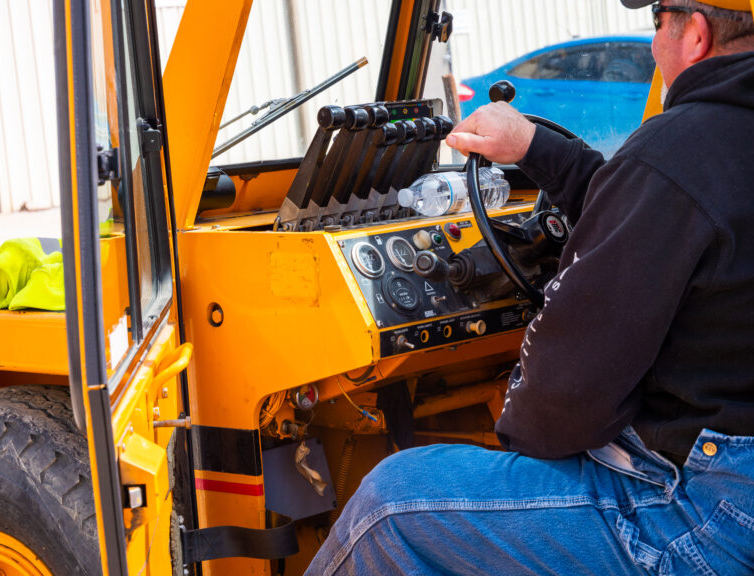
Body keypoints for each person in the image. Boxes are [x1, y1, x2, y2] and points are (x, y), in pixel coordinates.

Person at [306, 0, 754, 574]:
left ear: (694, 33)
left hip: (704, 517)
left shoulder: (677, 155)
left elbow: (559, 408)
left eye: (658, 23)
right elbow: (670, 214)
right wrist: (536, 148)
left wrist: (517, 403)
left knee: (390, 505)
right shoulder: (705, 158)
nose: (652, 47)